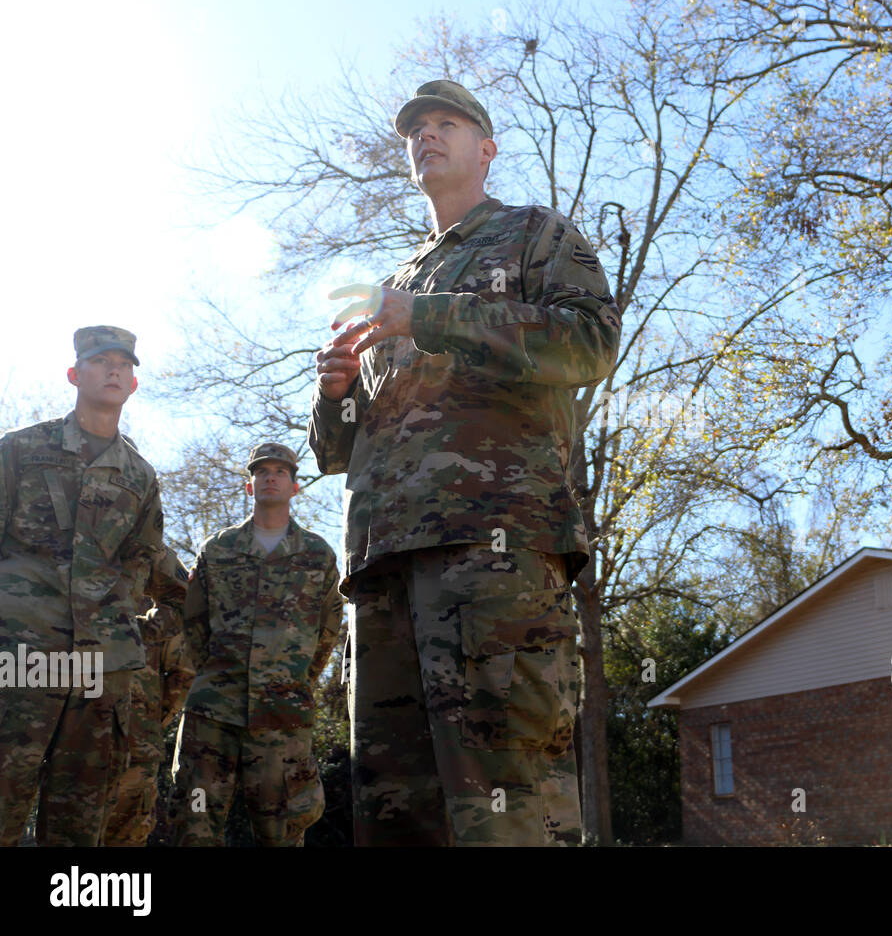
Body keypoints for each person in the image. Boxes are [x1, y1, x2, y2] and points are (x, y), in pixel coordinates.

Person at [310, 79, 621, 845]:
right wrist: (335, 394)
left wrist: (430, 316)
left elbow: (588, 343)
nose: (428, 135)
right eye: (416, 127)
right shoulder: (393, 286)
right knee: (396, 816)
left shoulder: (533, 234)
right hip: (385, 570)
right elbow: (337, 452)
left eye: (447, 123)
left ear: (485, 148)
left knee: (508, 808)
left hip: (497, 551)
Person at [0, 326, 164, 846]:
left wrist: (111, 619)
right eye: (101, 361)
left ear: (133, 384)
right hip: (22, 651)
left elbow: (142, 559)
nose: (115, 370)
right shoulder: (21, 450)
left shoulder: (139, 475)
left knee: (81, 813)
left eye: (124, 364)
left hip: (102, 663)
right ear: (75, 374)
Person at [169, 443, 342, 846]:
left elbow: (328, 628)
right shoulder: (218, 549)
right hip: (213, 713)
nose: (271, 477)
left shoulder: (317, 555)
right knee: (195, 819)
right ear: (249, 486)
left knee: (281, 828)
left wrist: (291, 679)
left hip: (282, 716)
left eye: (281, 471)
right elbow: (194, 622)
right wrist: (218, 674)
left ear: (295, 487)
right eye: (262, 471)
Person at [102, 545, 192, 846]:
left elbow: (182, 670)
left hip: (134, 738)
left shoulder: (145, 548)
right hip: (55, 725)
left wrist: (149, 716)